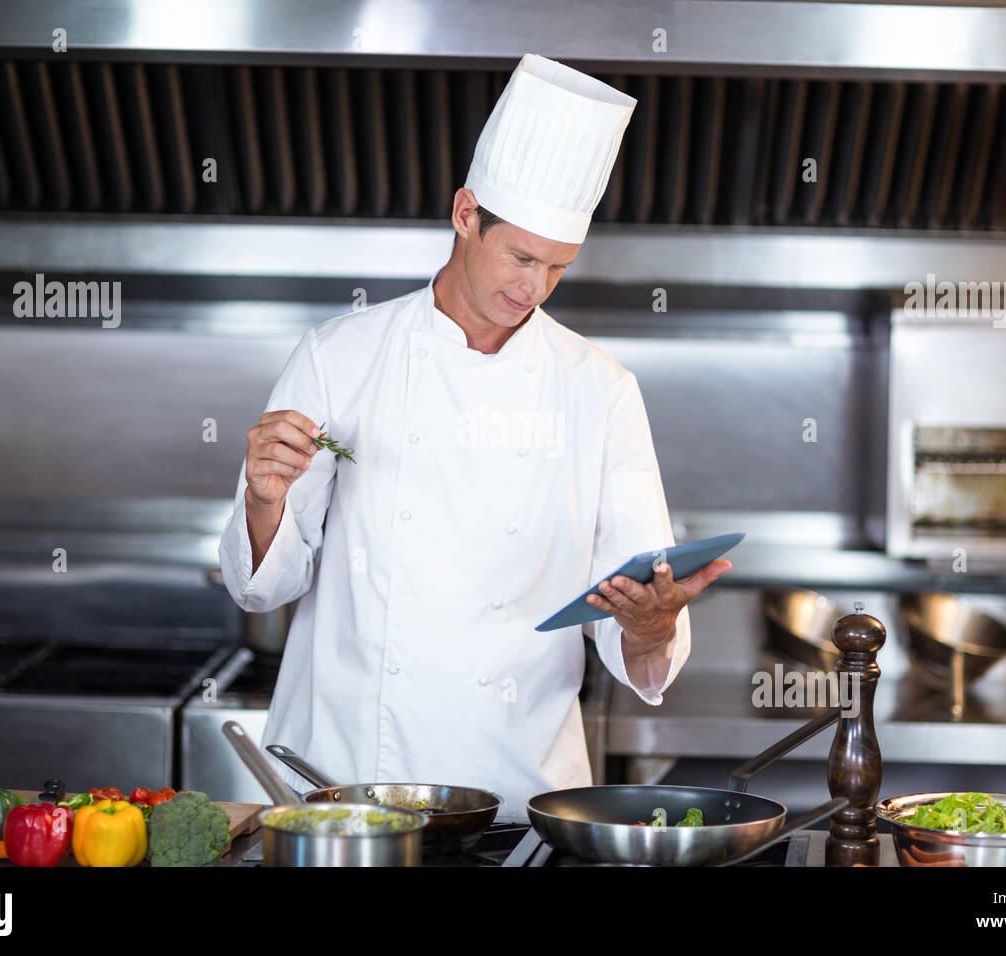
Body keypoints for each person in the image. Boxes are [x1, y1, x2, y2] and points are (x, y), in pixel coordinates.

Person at [219, 53, 731, 819]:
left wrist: (652, 624)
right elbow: (264, 585)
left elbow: (638, 620)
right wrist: (264, 500)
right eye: (521, 256)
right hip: (344, 790)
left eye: (557, 268)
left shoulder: (601, 392)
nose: (532, 289)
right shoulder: (339, 356)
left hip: (518, 799)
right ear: (466, 214)